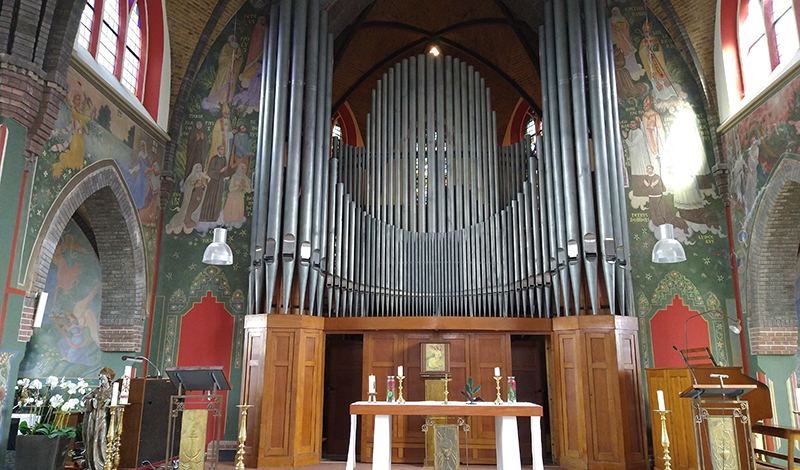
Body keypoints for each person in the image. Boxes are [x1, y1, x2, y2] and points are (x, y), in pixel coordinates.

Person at [83, 367, 115, 470]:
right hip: (93, 419)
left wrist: (110, 403)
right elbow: (85, 399)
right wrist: (92, 402)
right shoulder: (97, 391)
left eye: (103, 379)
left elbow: (117, 405)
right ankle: (91, 464)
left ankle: (101, 464)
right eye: (100, 379)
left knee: (101, 440)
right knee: (91, 440)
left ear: (108, 379)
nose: (102, 381)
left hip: (103, 418)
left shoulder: (113, 392)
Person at [200, 146, 235, 223]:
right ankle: (205, 216)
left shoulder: (224, 159)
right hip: (213, 181)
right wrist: (220, 171)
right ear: (218, 150)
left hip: (220, 182)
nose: (222, 151)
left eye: (223, 150)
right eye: (221, 149)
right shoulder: (214, 159)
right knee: (210, 197)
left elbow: (225, 172)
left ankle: (214, 217)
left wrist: (229, 169)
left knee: (217, 199)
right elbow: (210, 171)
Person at [222, 163, 253, 228]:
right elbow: (230, 188)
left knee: (237, 217)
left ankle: (234, 226)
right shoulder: (234, 177)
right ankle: (226, 225)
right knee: (230, 214)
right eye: (242, 168)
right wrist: (238, 186)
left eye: (245, 169)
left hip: (240, 198)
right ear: (239, 168)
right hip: (232, 197)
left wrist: (243, 187)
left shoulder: (245, 178)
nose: (243, 170)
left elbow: (249, 190)